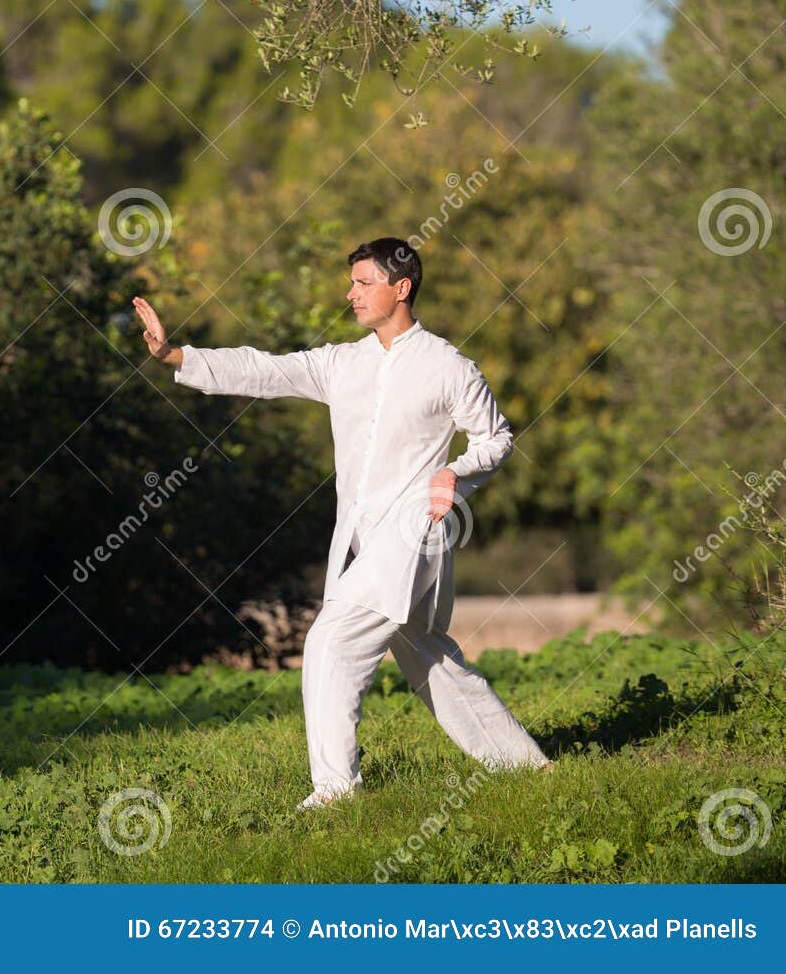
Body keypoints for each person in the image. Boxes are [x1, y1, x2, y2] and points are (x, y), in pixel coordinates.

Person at [132, 237, 553, 811]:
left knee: (331, 642)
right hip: (360, 540)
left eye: (363, 283)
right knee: (427, 654)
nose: (351, 294)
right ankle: (526, 768)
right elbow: (266, 370)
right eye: (351, 283)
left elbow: (497, 436)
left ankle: (336, 791)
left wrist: (457, 472)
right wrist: (177, 356)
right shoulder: (342, 362)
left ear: (400, 288)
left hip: (414, 533)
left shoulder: (448, 365)